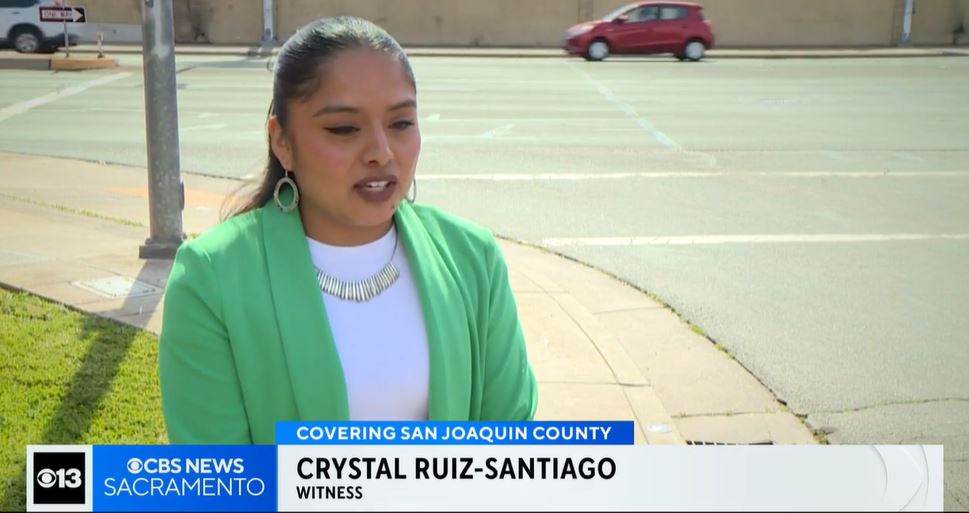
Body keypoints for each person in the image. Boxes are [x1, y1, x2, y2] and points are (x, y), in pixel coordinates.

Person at [158, 16, 538, 444]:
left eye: (400, 124)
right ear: (282, 141)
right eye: (344, 129)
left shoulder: (473, 259)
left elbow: (512, 449)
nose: (381, 152)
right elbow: (220, 483)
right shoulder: (211, 280)